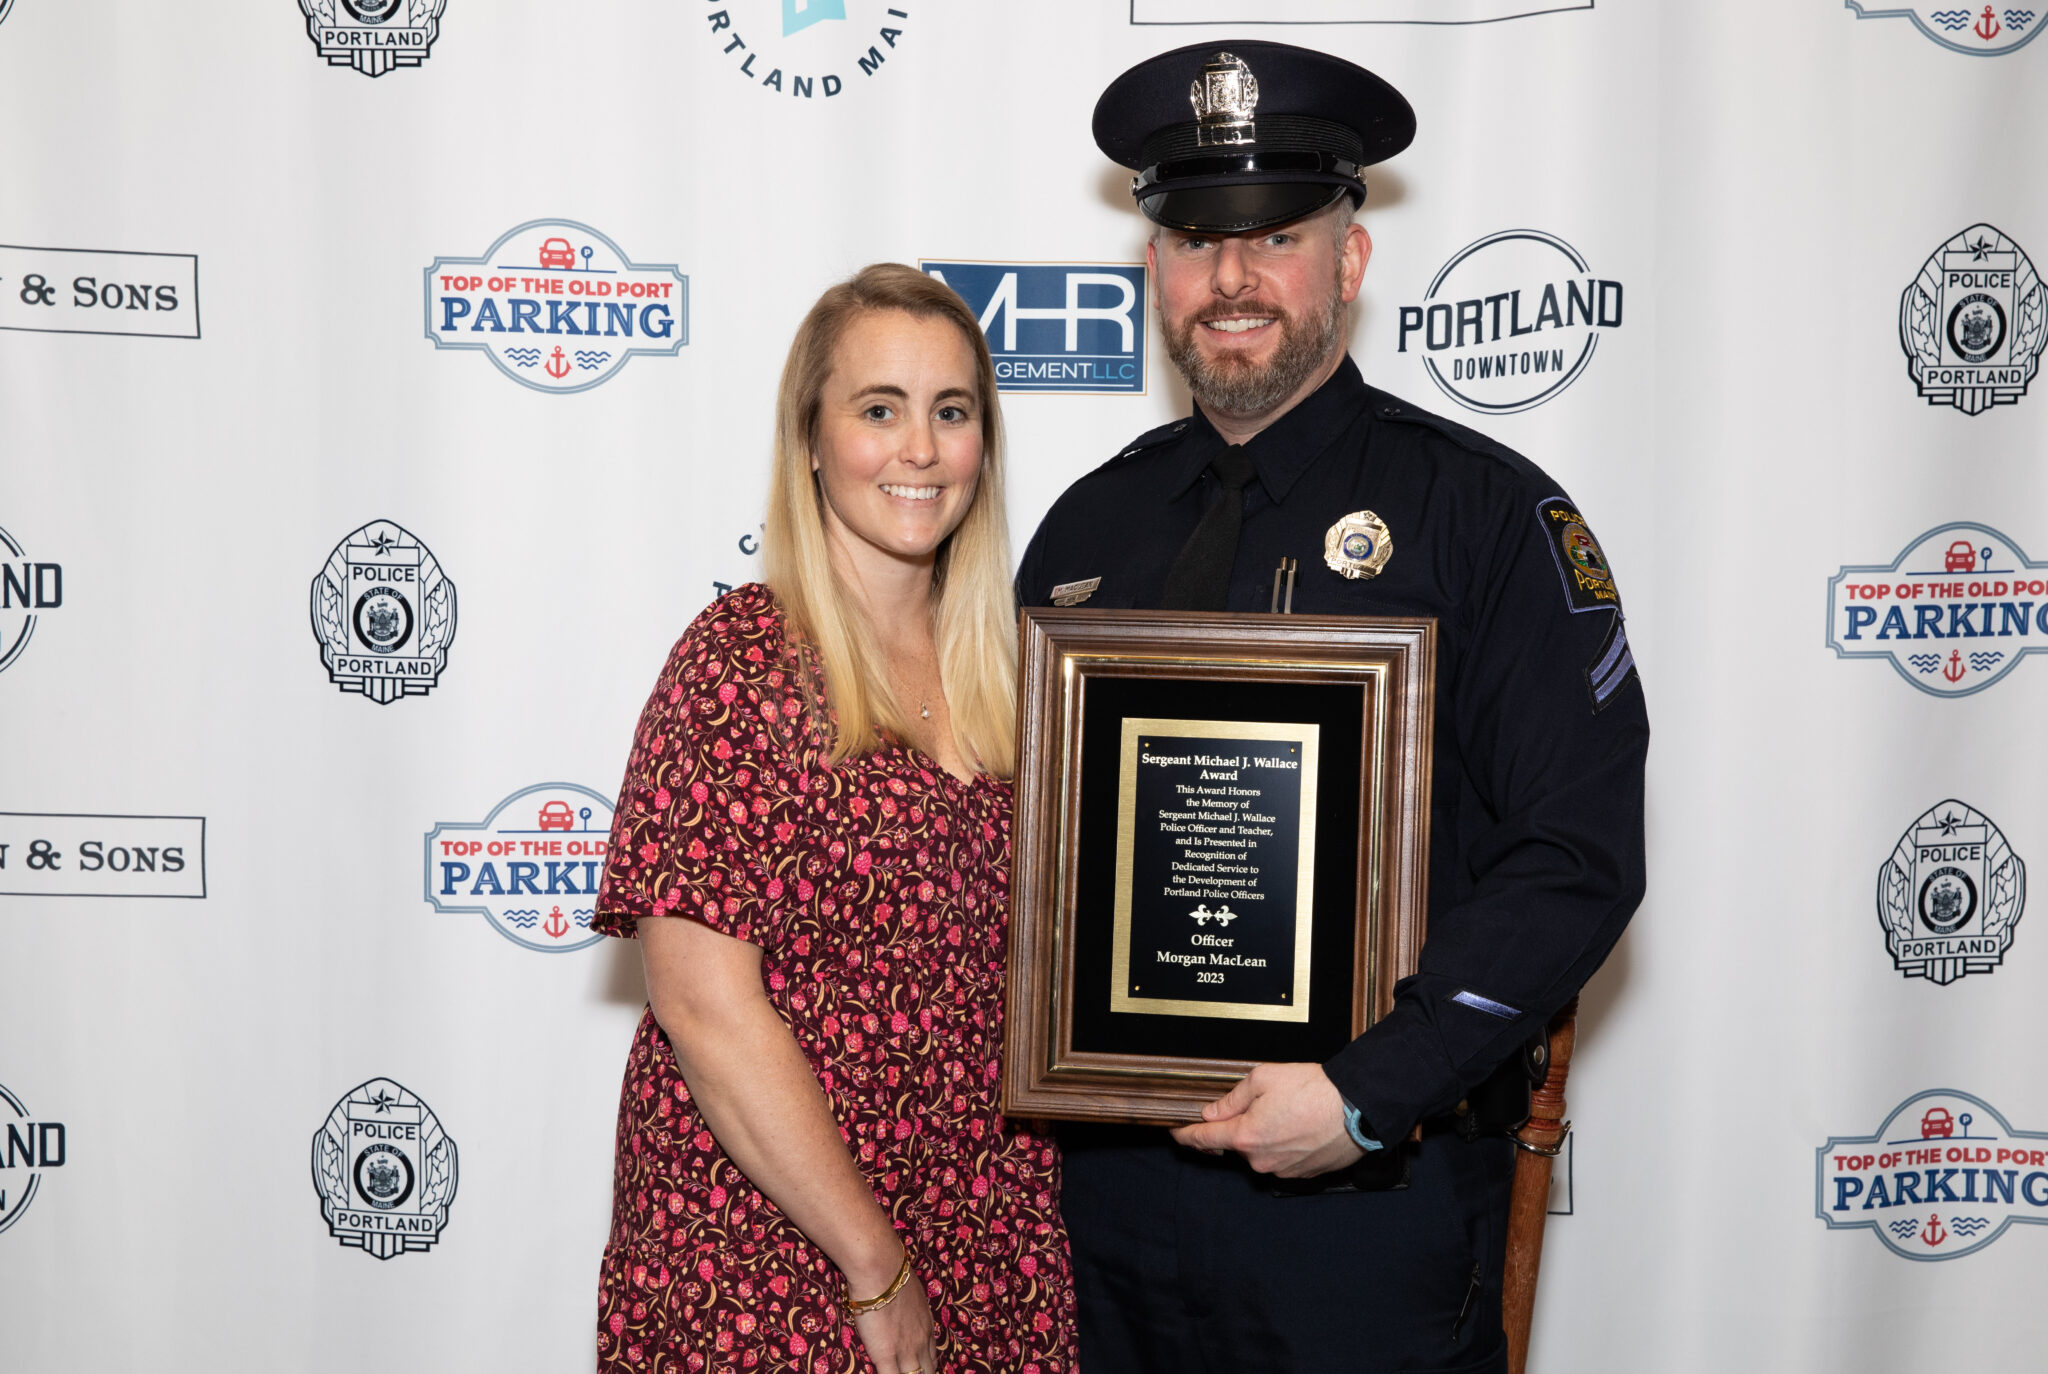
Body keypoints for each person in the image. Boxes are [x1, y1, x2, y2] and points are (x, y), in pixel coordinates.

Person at [1014, 42, 1650, 1374]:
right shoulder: (1088, 527)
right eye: (1192, 239)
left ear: (1349, 263)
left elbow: (1573, 857)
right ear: (1155, 272)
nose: (1230, 278)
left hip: (1369, 1208)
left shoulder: (1481, 515)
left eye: (1275, 236)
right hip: (1108, 1204)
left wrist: (1369, 1093)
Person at [592, 263, 1078, 1374]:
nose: (919, 449)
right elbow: (702, 1007)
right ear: (809, 440)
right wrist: (875, 1265)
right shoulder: (738, 664)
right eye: (878, 410)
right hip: (775, 1251)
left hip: (986, 1233)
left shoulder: (1020, 680)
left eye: (950, 413)